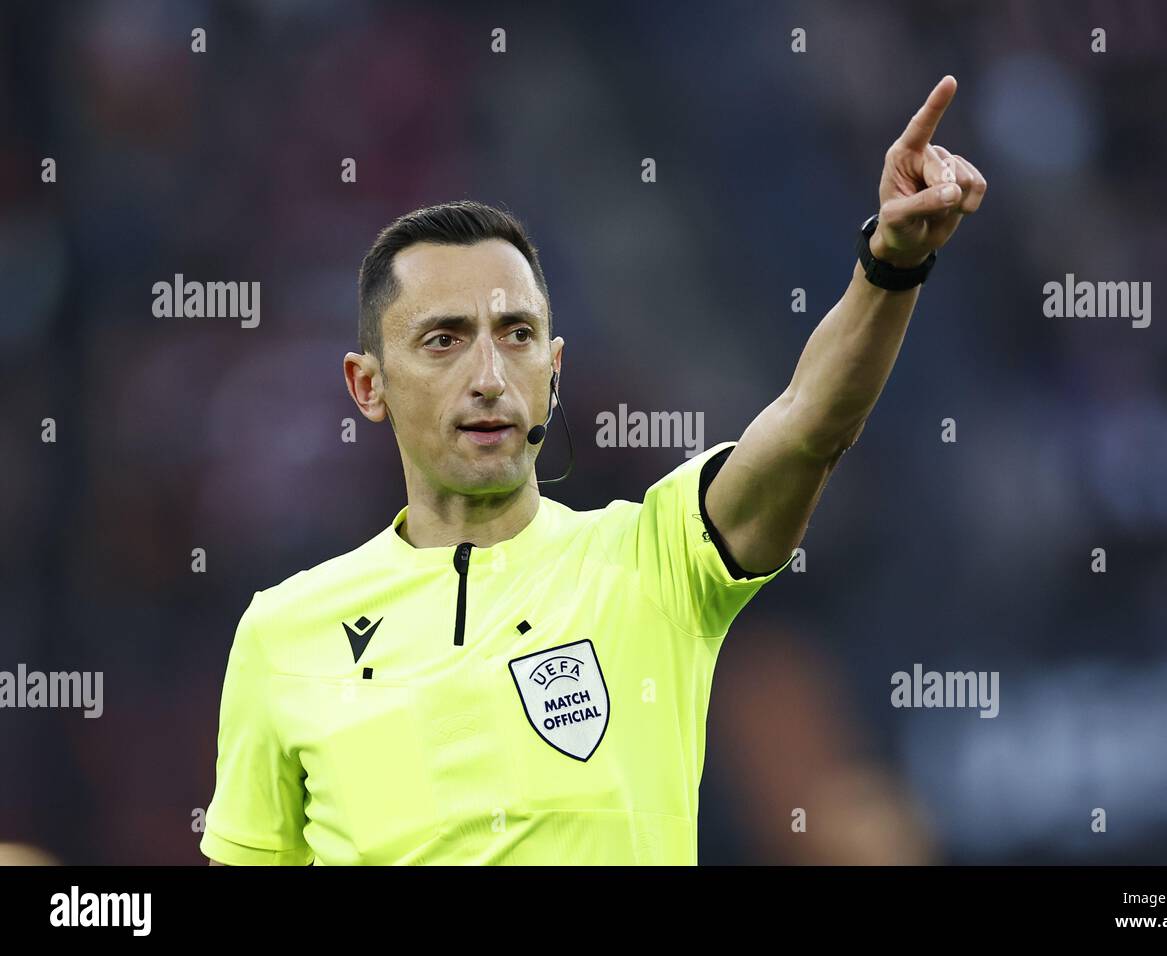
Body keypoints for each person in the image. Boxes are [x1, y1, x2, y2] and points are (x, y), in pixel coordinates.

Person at [200, 75, 986, 865]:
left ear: (555, 367)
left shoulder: (655, 561)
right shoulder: (283, 634)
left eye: (515, 335)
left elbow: (810, 422)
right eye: (442, 340)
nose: (488, 376)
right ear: (367, 385)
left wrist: (889, 267)